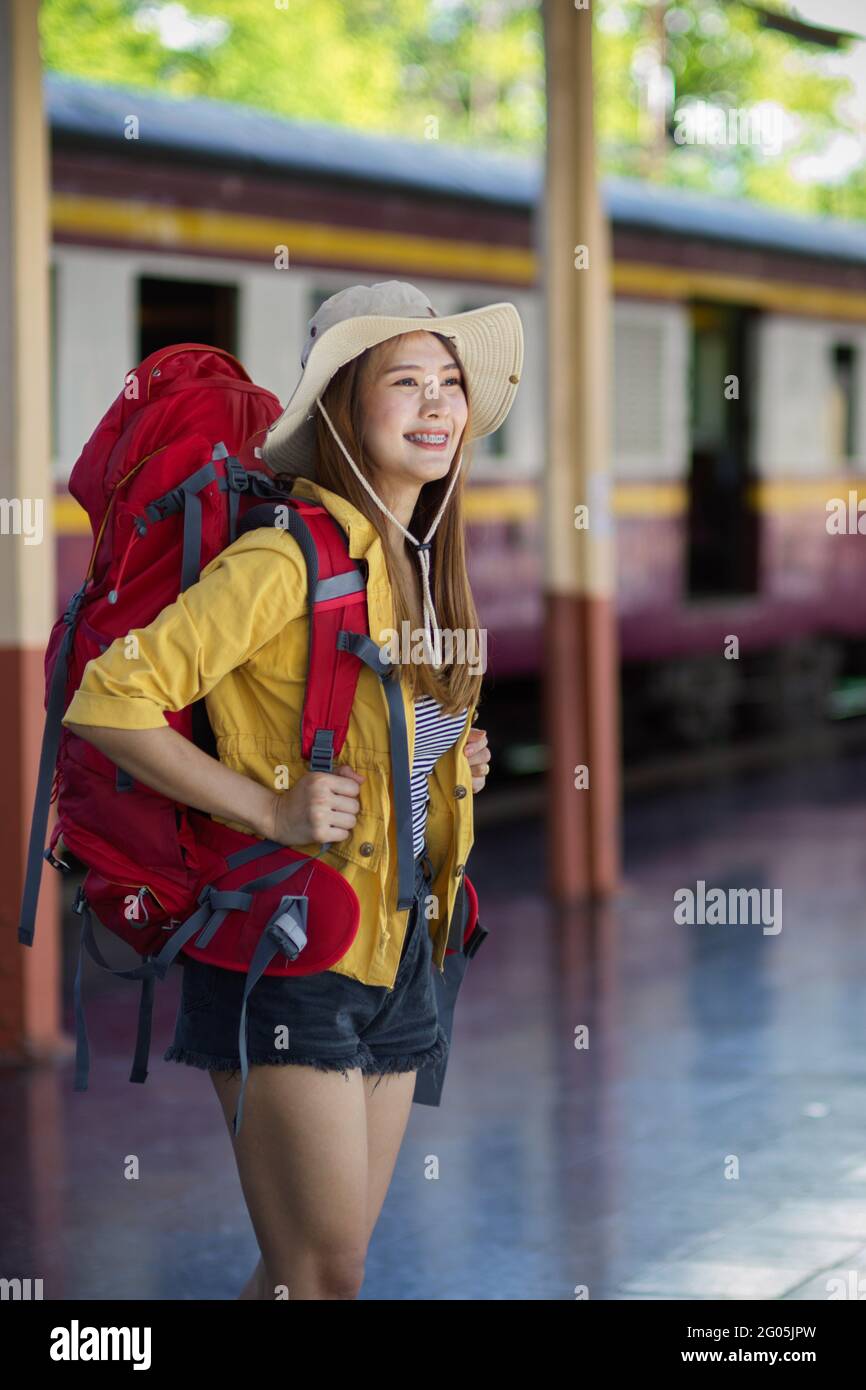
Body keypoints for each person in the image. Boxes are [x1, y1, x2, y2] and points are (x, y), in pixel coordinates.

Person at [61, 280, 524, 1300]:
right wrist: (268, 807)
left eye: (448, 381)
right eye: (404, 381)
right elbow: (107, 700)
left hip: (404, 946)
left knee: (297, 1275)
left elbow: (369, 732)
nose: (437, 402)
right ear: (340, 410)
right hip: (288, 949)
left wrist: (449, 760)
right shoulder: (283, 558)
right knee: (325, 1275)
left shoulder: (422, 565)